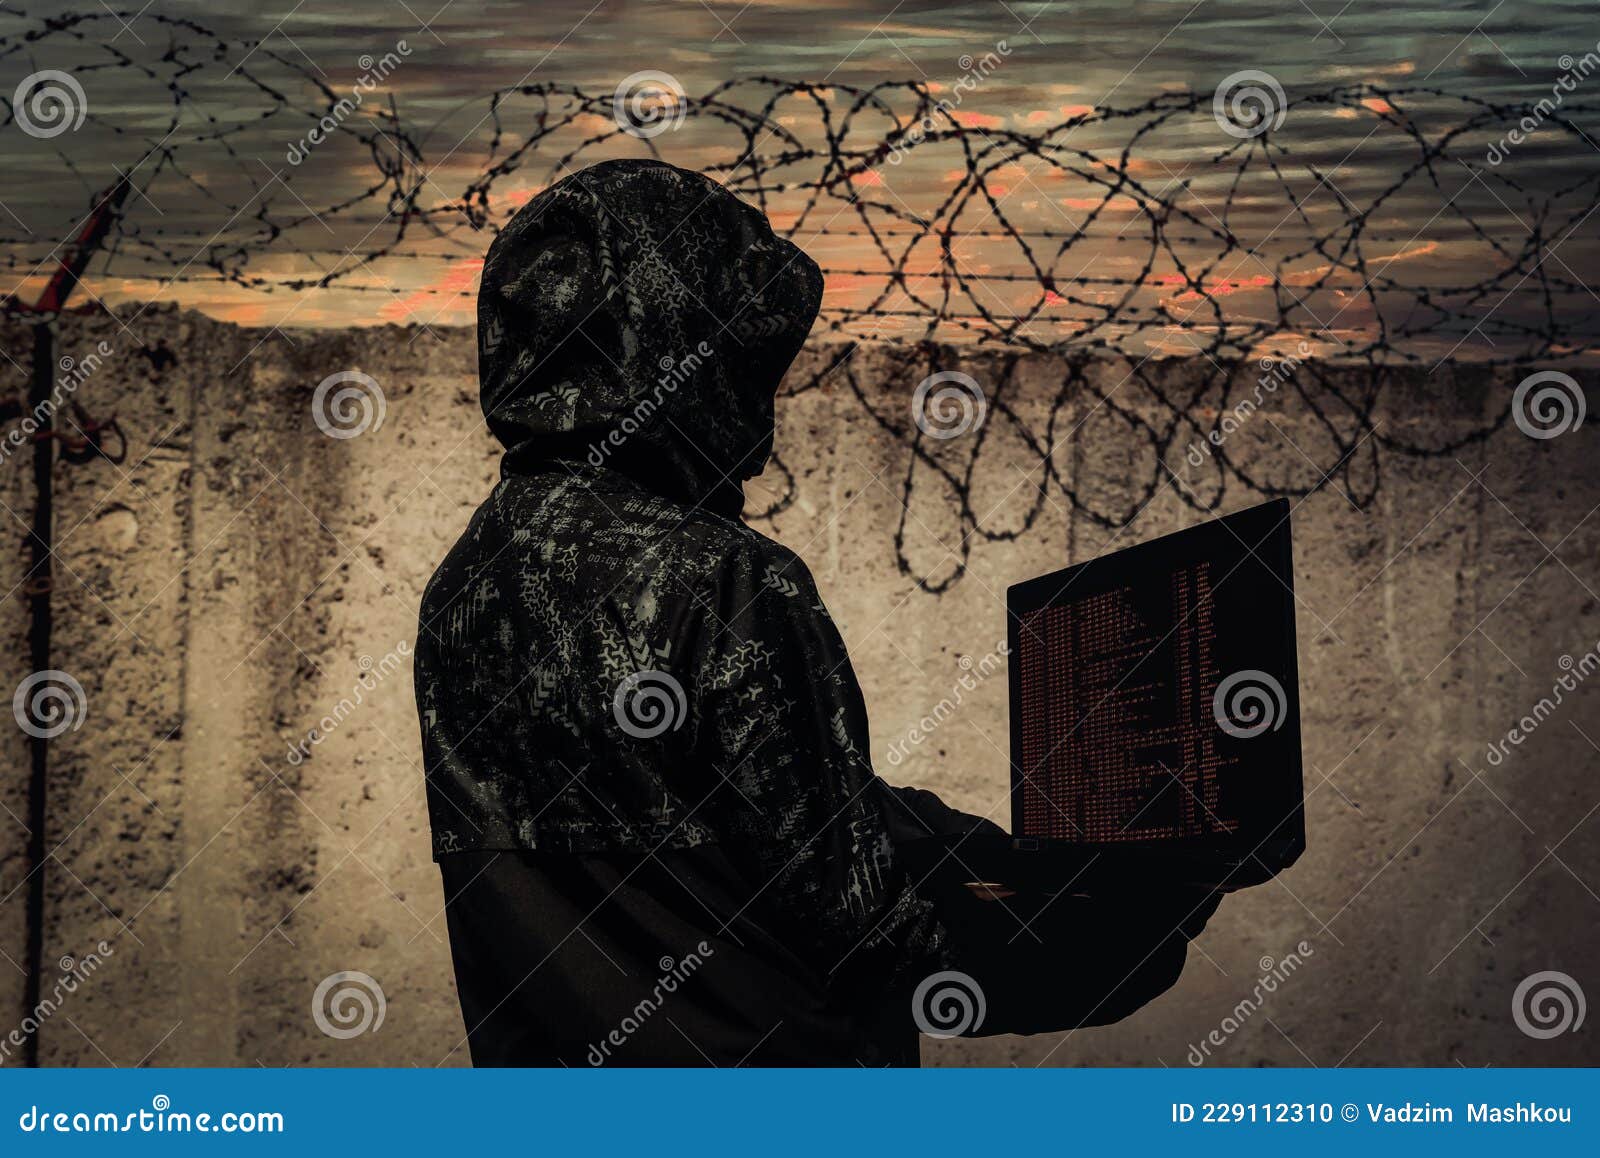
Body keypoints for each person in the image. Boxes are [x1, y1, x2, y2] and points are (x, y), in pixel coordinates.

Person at [415, 158, 1219, 1066]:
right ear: (676, 351)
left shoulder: (465, 583)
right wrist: (1137, 934)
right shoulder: (725, 580)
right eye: (741, 364)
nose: (758, 423)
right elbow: (874, 935)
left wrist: (1019, 855)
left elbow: (750, 809)